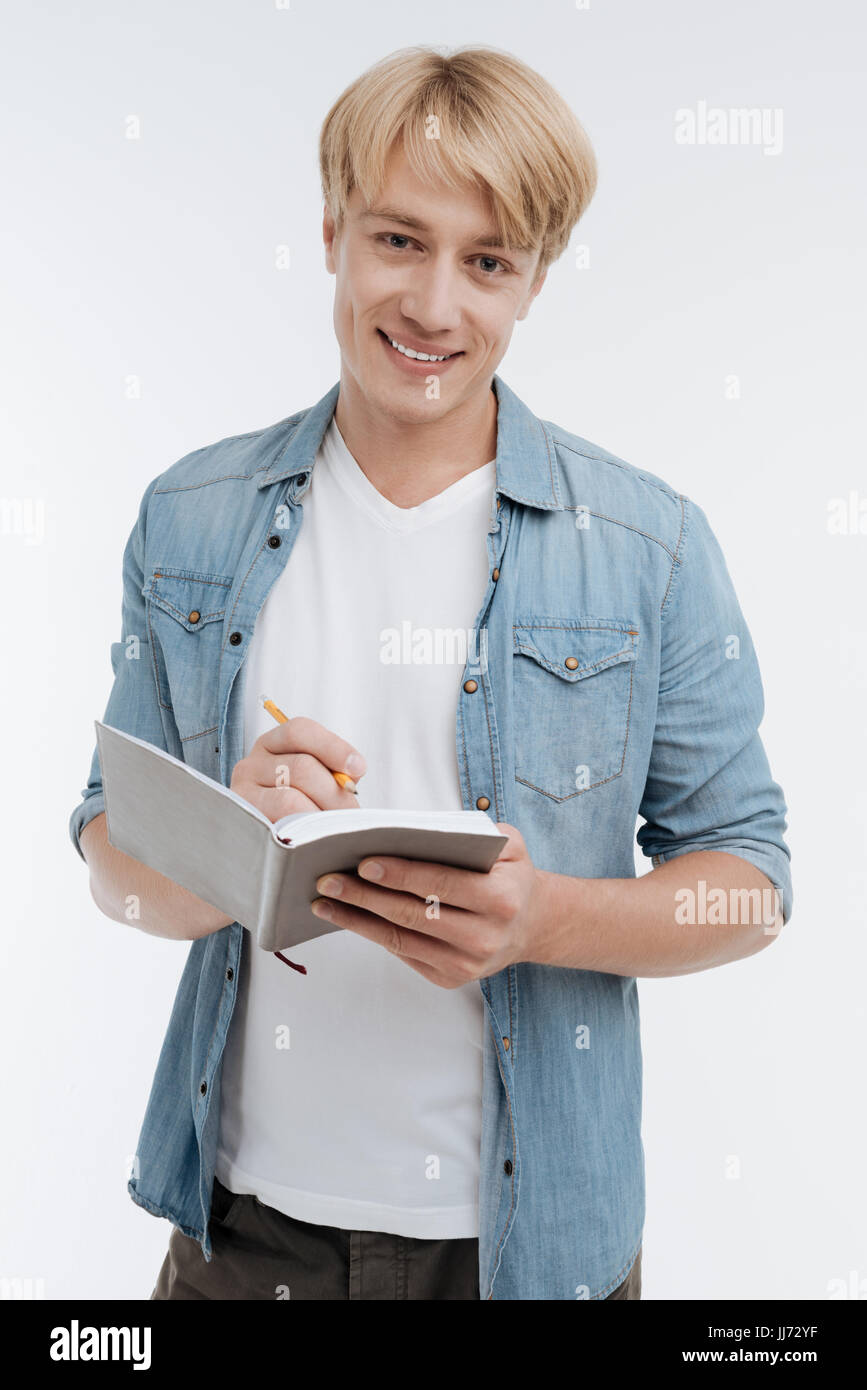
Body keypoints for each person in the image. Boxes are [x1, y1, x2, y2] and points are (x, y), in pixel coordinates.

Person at [69, 45, 792, 1301]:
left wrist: (544, 919)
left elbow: (752, 884)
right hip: (243, 1243)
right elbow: (110, 863)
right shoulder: (188, 520)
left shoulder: (648, 545)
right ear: (336, 230)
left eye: (488, 261)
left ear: (534, 283)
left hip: (533, 1258)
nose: (435, 306)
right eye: (400, 240)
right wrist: (226, 845)